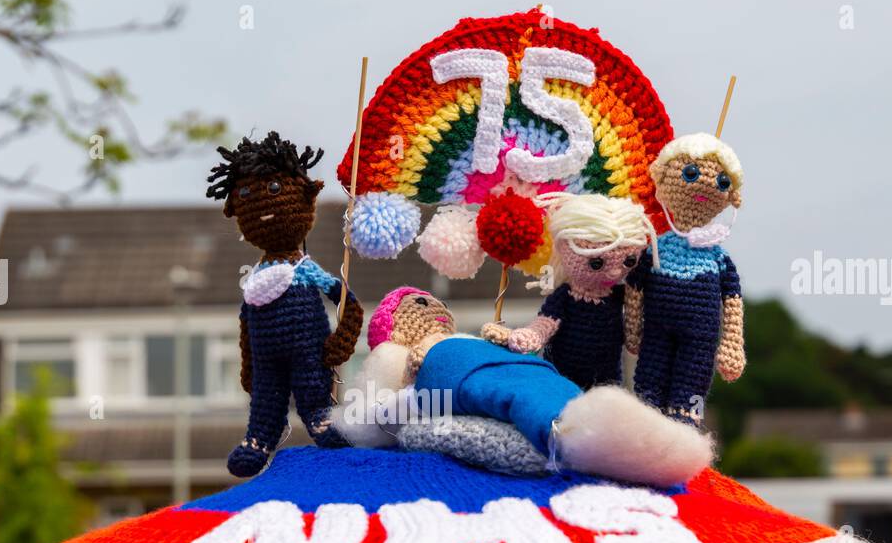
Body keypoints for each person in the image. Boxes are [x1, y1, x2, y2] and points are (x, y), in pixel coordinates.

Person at [360, 287, 712, 488]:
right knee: (521, 392)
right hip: (473, 368)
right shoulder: (421, 358)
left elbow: (392, 417)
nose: (425, 308)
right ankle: (575, 429)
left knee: (528, 391)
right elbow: (396, 415)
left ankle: (580, 429)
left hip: (485, 367)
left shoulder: (432, 357)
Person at [205, 132, 363, 477]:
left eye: (275, 190)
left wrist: (341, 342)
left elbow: (347, 302)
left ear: (306, 199)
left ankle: (322, 422)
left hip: (308, 353)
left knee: (313, 394)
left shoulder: (306, 271)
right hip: (266, 363)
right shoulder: (256, 279)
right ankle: (260, 439)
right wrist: (248, 367)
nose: (262, 207)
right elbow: (246, 323)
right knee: (265, 401)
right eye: (245, 194)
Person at [624, 133, 746, 424]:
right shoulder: (654, 249)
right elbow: (634, 288)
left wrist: (732, 342)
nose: (705, 183)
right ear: (663, 182)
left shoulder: (718, 258)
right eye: (691, 173)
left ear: (731, 196)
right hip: (656, 332)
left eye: (721, 181)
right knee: (649, 380)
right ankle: (647, 423)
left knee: (692, 382)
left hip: (700, 339)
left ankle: (686, 423)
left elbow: (732, 301)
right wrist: (633, 328)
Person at [482, 194, 657, 390]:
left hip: (607, 373)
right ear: (566, 252)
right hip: (563, 370)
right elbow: (547, 321)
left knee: (606, 399)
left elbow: (637, 315)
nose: (615, 272)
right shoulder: (565, 296)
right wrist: (533, 334)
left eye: (629, 261)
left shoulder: (620, 294)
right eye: (597, 263)